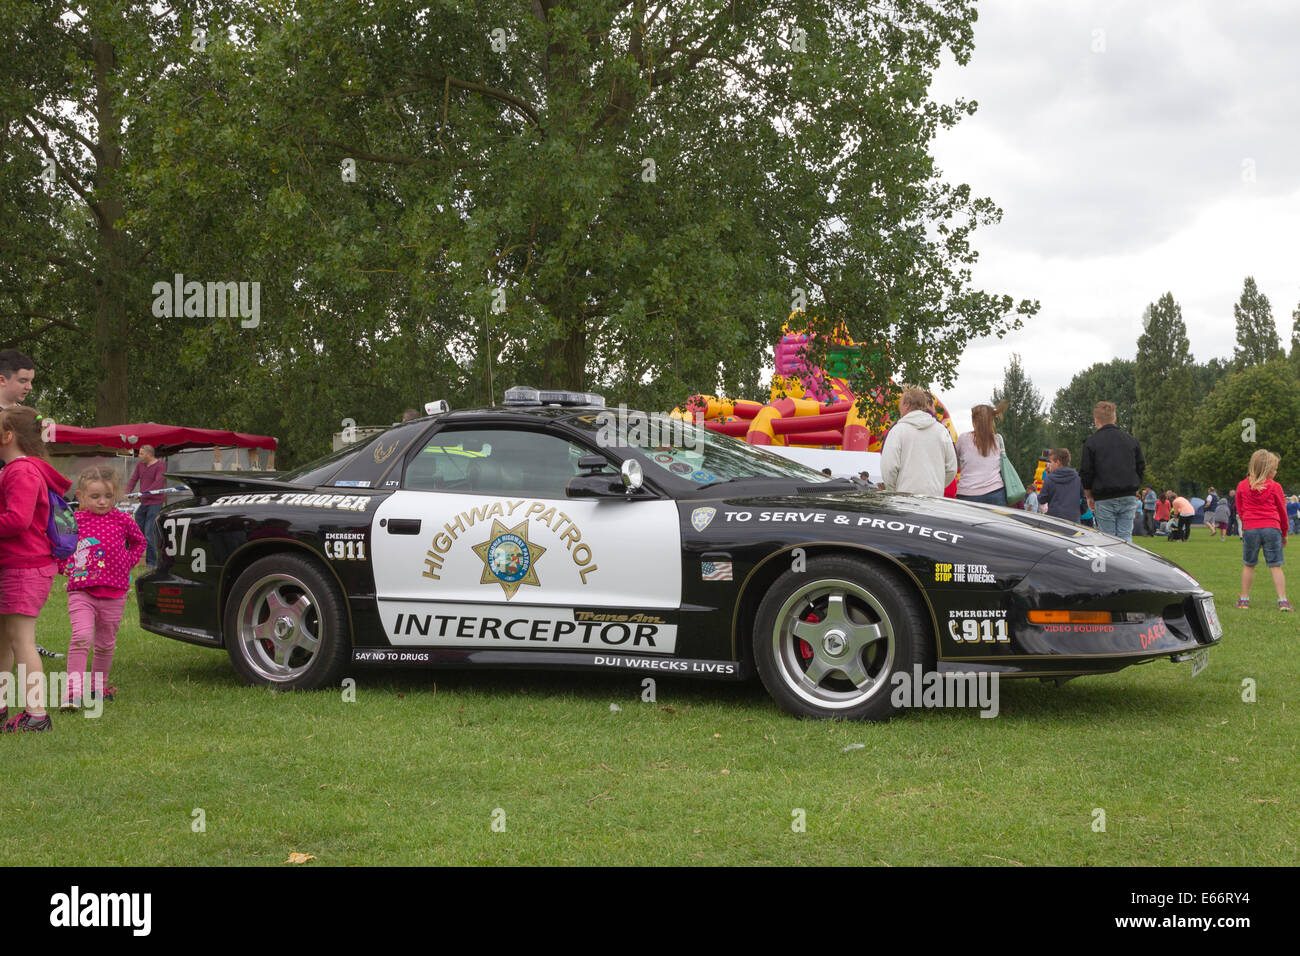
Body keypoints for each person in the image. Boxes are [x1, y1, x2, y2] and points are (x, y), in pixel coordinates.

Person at [0, 406, 73, 731]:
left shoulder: (21, 472)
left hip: (24, 567)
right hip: (18, 566)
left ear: (7, 435)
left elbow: (17, 519)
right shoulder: (18, 469)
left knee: (21, 641)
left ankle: (36, 715)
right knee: (4, 640)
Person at [58, 465, 146, 709]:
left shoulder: (122, 520)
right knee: (81, 637)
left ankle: (98, 688)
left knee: (106, 643)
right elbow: (60, 546)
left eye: (108, 497)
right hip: (82, 591)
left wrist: (128, 561)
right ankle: (72, 693)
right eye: (95, 497)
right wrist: (62, 564)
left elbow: (139, 542)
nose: (102, 502)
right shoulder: (74, 521)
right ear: (81, 497)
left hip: (114, 593)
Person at [1079, 401, 1144, 543]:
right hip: (1128, 494)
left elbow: (1086, 472)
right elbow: (1140, 467)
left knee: (1108, 540)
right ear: (1114, 418)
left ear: (1096, 420)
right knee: (1126, 537)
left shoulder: (1091, 443)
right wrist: (1135, 486)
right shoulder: (1131, 441)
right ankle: (1126, 564)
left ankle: (1111, 565)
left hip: (1104, 496)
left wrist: (1089, 495)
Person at [1234, 449, 1290, 611]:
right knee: (1276, 565)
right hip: (1272, 528)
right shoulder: (1275, 487)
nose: (1276, 472)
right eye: (1274, 469)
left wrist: (1247, 524)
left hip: (1251, 528)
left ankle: (1244, 600)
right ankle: (1283, 601)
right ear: (1267, 470)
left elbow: (1240, 509)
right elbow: (1282, 512)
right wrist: (1284, 534)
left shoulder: (1242, 485)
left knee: (1249, 564)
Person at [880, 386, 957, 496]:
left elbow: (889, 467)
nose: (899, 408)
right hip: (934, 497)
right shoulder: (942, 431)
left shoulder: (897, 430)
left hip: (904, 497)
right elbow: (952, 468)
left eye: (900, 404)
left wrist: (894, 490)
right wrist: (937, 485)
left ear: (907, 404)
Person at [954, 402, 1009, 505]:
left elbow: (956, 465)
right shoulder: (998, 439)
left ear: (974, 421)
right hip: (996, 492)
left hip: (967, 493)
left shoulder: (963, 438)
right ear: (991, 421)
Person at [126, 444, 166, 568]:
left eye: (141, 454)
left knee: (149, 534)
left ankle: (151, 563)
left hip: (155, 503)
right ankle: (128, 560)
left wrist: (142, 494)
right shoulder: (140, 465)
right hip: (143, 503)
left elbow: (158, 484)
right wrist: (127, 492)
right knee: (135, 531)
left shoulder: (160, 466)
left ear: (149, 454)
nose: (139, 456)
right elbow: (133, 479)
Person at [1039, 448, 1082, 523]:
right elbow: (1084, 500)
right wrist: (1077, 513)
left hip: (1054, 520)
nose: (1050, 465)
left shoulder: (1049, 478)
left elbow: (1042, 499)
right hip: (1074, 521)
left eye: (1051, 462)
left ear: (1058, 462)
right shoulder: (1078, 478)